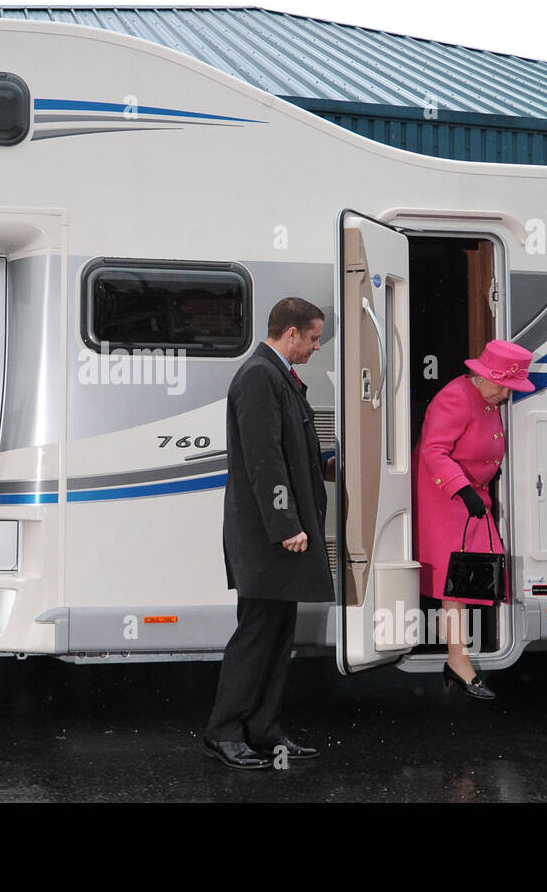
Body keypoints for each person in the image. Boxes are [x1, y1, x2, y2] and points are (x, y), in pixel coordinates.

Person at [204, 297, 335, 769]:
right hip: (269, 537)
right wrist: (285, 525)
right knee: (257, 634)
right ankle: (224, 731)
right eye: (315, 337)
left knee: (280, 635)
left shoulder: (276, 374)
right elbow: (264, 459)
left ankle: (263, 730)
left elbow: (290, 446)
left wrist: (328, 466)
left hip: (281, 535)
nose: (318, 346)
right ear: (292, 332)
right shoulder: (260, 375)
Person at [413, 340, 534, 700]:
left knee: (467, 579)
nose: (506, 395)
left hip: (470, 496)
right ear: (483, 376)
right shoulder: (456, 396)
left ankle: (457, 658)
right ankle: (457, 658)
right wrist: (461, 489)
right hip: (444, 498)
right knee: (457, 583)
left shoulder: (487, 396)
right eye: (504, 386)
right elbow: (434, 449)